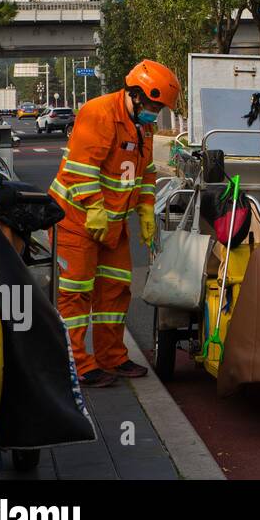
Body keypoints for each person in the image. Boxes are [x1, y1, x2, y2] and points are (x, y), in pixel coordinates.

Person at [49, 59, 176, 387]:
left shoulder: (142, 126)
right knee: (75, 295)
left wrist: (146, 208)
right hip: (77, 220)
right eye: (152, 105)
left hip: (113, 226)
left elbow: (146, 173)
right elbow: (82, 167)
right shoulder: (100, 113)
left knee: (116, 291)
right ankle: (76, 363)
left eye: (159, 107)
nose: (155, 112)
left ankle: (112, 357)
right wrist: (94, 208)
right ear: (135, 94)